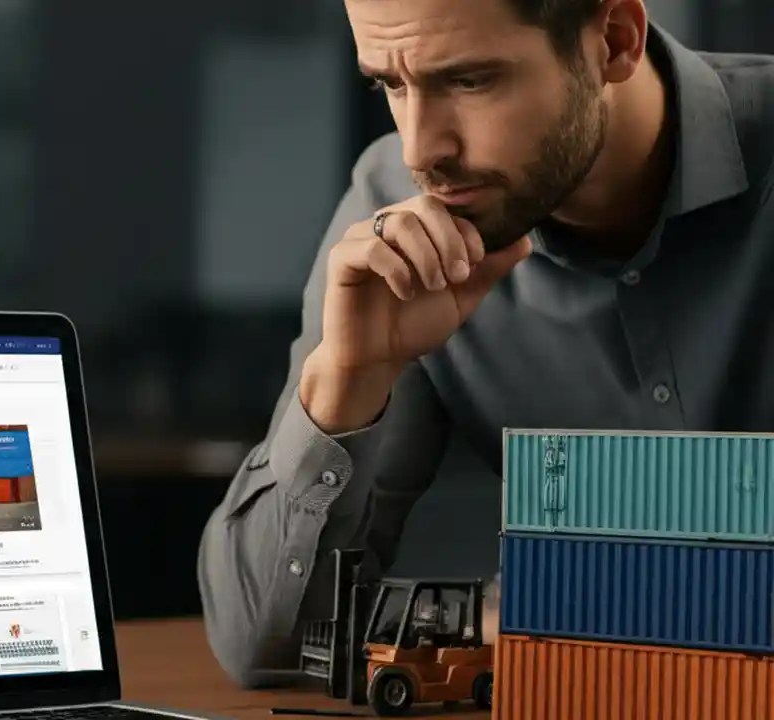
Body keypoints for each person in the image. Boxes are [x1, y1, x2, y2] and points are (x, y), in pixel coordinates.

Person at [197, 0, 774, 688]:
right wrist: (348, 381)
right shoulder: (393, 217)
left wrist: (574, 613)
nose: (420, 151)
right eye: (391, 84)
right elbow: (262, 646)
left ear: (615, 40)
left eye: (470, 81)